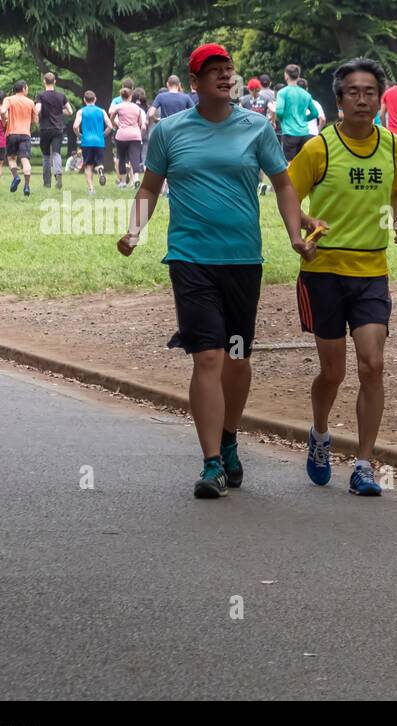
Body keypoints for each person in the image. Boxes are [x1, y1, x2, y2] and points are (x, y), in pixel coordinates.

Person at [117, 43, 311, 499]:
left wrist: (294, 233)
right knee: (208, 355)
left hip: (243, 259)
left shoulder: (257, 127)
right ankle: (210, 465)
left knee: (238, 357)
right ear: (195, 84)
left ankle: (228, 439)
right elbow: (149, 187)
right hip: (190, 259)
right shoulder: (169, 131)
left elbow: (282, 183)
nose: (225, 76)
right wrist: (133, 232)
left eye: (229, 69)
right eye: (214, 71)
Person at [287, 57, 397, 497]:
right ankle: (320, 433)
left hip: (371, 272)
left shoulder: (395, 147)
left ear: (380, 99)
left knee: (373, 365)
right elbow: (288, 196)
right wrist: (305, 227)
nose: (363, 99)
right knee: (333, 372)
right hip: (323, 273)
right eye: (353, 93)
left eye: (370, 92)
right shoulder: (320, 148)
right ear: (338, 100)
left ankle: (364, 464)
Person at [272, 64, 319, 162]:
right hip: (305, 133)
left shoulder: (282, 92)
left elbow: (279, 111)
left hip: (289, 133)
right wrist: (304, 119)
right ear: (298, 76)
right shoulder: (306, 94)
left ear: (286, 75)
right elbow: (315, 113)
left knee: (289, 164)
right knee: (302, 163)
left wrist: (283, 120)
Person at [34, 72, 71, 190]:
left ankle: (47, 183)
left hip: (45, 128)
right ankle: (58, 173)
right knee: (56, 153)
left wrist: (34, 114)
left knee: (46, 156)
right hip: (58, 128)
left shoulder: (40, 95)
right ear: (55, 82)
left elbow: (38, 109)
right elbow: (70, 111)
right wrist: (60, 112)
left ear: (44, 81)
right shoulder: (61, 96)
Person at [1, 80, 36, 196]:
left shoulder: (8, 99)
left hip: (11, 133)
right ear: (24, 89)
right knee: (25, 160)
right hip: (25, 134)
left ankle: (16, 177)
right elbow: (35, 120)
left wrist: (4, 121)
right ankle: (26, 186)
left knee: (11, 158)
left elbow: (2, 111)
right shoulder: (31, 102)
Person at [73, 90, 112, 194]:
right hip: (99, 141)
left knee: (88, 165)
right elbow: (110, 126)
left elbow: (75, 126)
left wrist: (79, 135)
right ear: (95, 99)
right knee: (99, 163)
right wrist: (103, 135)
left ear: (84, 100)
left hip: (86, 142)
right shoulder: (102, 111)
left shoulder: (81, 111)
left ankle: (91, 189)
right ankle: (100, 171)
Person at [109, 87, 146, 187]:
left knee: (122, 157)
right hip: (135, 135)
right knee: (135, 158)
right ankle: (136, 178)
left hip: (121, 135)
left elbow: (111, 118)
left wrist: (117, 124)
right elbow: (141, 123)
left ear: (121, 96)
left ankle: (124, 181)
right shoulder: (137, 108)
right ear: (130, 97)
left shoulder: (118, 107)